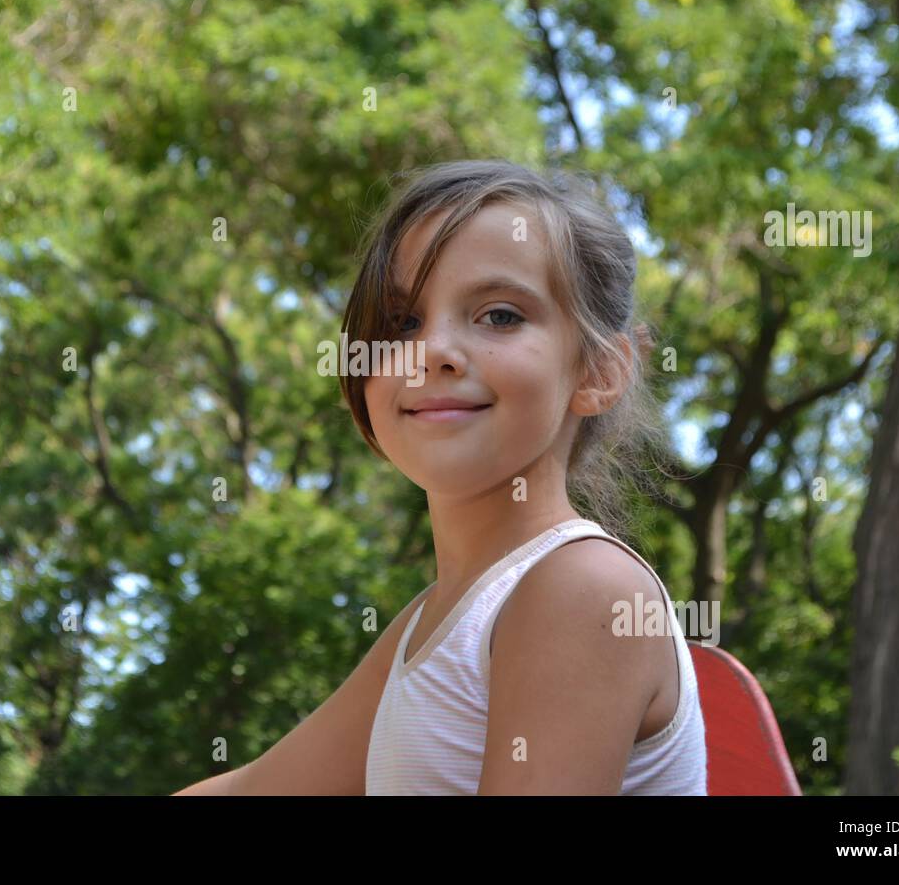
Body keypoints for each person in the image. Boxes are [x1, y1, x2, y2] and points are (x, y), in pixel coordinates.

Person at [174, 159, 706, 795]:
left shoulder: (582, 589)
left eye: (500, 315)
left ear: (599, 371)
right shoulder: (432, 622)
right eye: (403, 323)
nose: (436, 351)